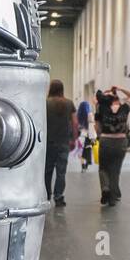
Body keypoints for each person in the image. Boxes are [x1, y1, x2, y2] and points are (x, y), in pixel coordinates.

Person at [94, 86, 130, 207]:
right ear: (118, 99)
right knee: (115, 170)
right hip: (121, 141)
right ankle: (113, 198)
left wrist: (101, 136)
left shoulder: (101, 108)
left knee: (103, 168)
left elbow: (97, 127)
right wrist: (120, 88)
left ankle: (105, 188)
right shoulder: (124, 108)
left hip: (106, 140)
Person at [45, 79, 77, 207]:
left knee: (47, 171)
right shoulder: (69, 103)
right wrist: (74, 139)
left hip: (48, 143)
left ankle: (46, 196)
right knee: (61, 172)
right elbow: (75, 123)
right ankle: (59, 197)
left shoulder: (45, 103)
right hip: (64, 142)